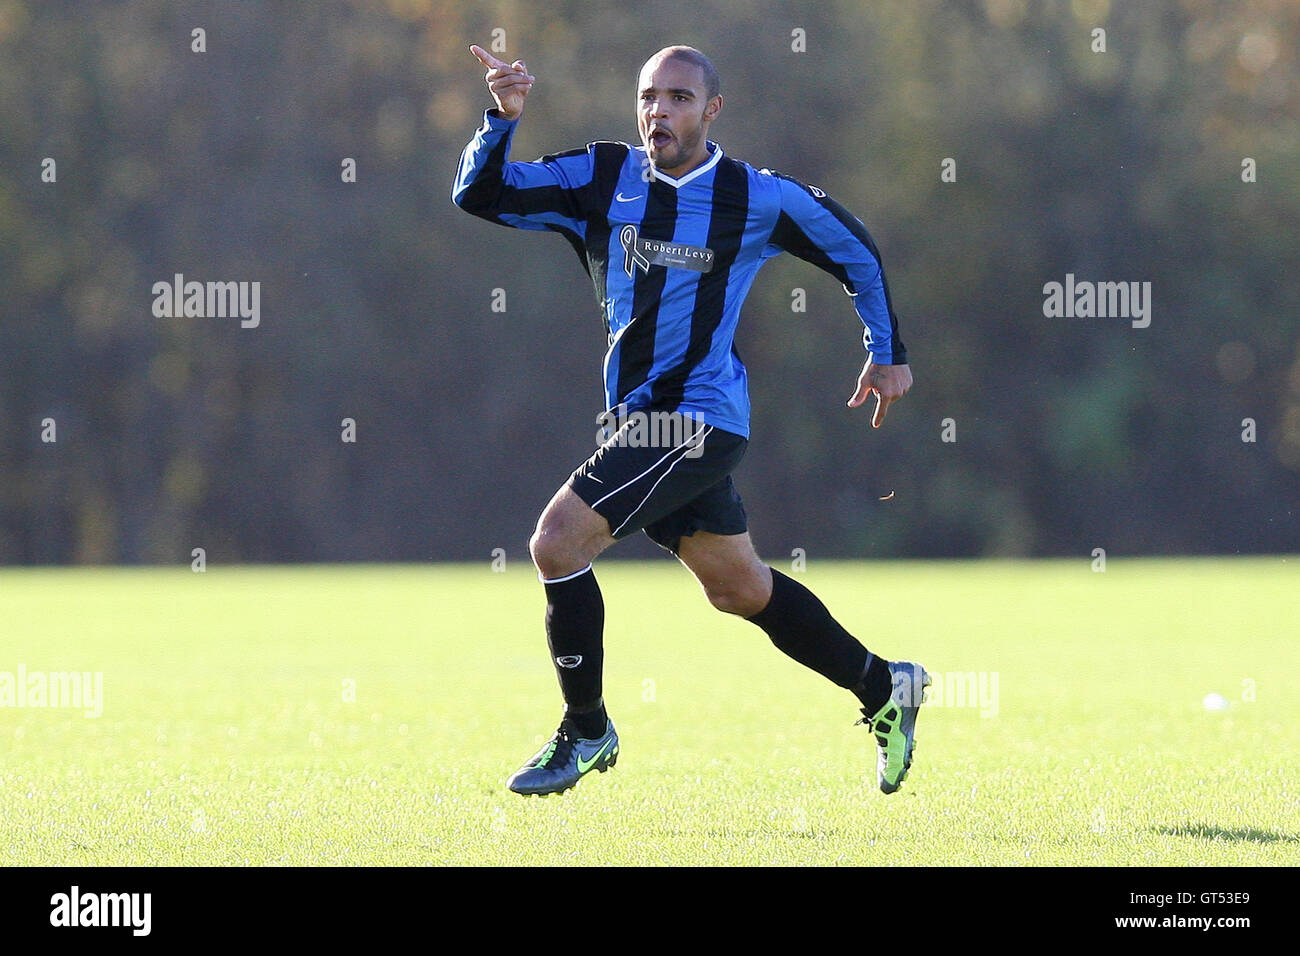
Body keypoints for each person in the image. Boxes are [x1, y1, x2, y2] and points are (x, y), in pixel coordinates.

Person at [453, 42, 930, 797]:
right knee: (737, 587)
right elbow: (482, 196)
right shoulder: (603, 176)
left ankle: (587, 731)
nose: (658, 112)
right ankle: (884, 688)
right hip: (634, 422)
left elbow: (855, 249)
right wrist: (501, 118)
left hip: (700, 418)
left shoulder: (756, 197)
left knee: (555, 543)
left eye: (677, 98)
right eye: (648, 97)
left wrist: (888, 351)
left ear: (711, 110)